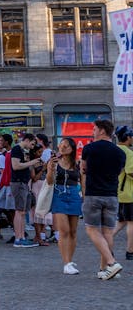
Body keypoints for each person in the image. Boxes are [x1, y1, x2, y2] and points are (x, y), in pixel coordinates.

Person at [81, 118, 125, 280]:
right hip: (112, 196)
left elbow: (83, 168)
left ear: (101, 130)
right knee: (107, 232)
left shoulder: (89, 149)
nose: (92, 132)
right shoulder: (120, 152)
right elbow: (119, 171)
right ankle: (105, 269)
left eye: (94, 129)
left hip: (94, 194)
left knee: (91, 229)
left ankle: (112, 263)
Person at [51, 136, 83, 275]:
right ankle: (66, 263)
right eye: (61, 145)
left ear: (72, 149)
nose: (62, 147)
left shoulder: (78, 163)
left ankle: (70, 259)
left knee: (73, 231)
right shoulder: (54, 162)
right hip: (59, 195)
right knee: (64, 231)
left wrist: (85, 199)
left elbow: (83, 182)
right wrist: (51, 169)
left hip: (74, 195)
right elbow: (49, 181)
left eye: (66, 146)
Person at [8, 133, 38, 248]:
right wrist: (33, 162)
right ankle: (18, 238)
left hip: (24, 182)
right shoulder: (16, 149)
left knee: (22, 211)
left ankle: (22, 237)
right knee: (19, 211)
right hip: (18, 182)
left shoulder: (24, 151)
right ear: (27, 140)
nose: (32, 146)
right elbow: (15, 166)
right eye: (32, 143)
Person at [116, 126, 133, 262]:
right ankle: (130, 251)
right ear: (128, 137)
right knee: (131, 223)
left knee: (121, 222)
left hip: (117, 191)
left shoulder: (114, 149)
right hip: (128, 192)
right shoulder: (128, 152)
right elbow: (130, 172)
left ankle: (105, 240)